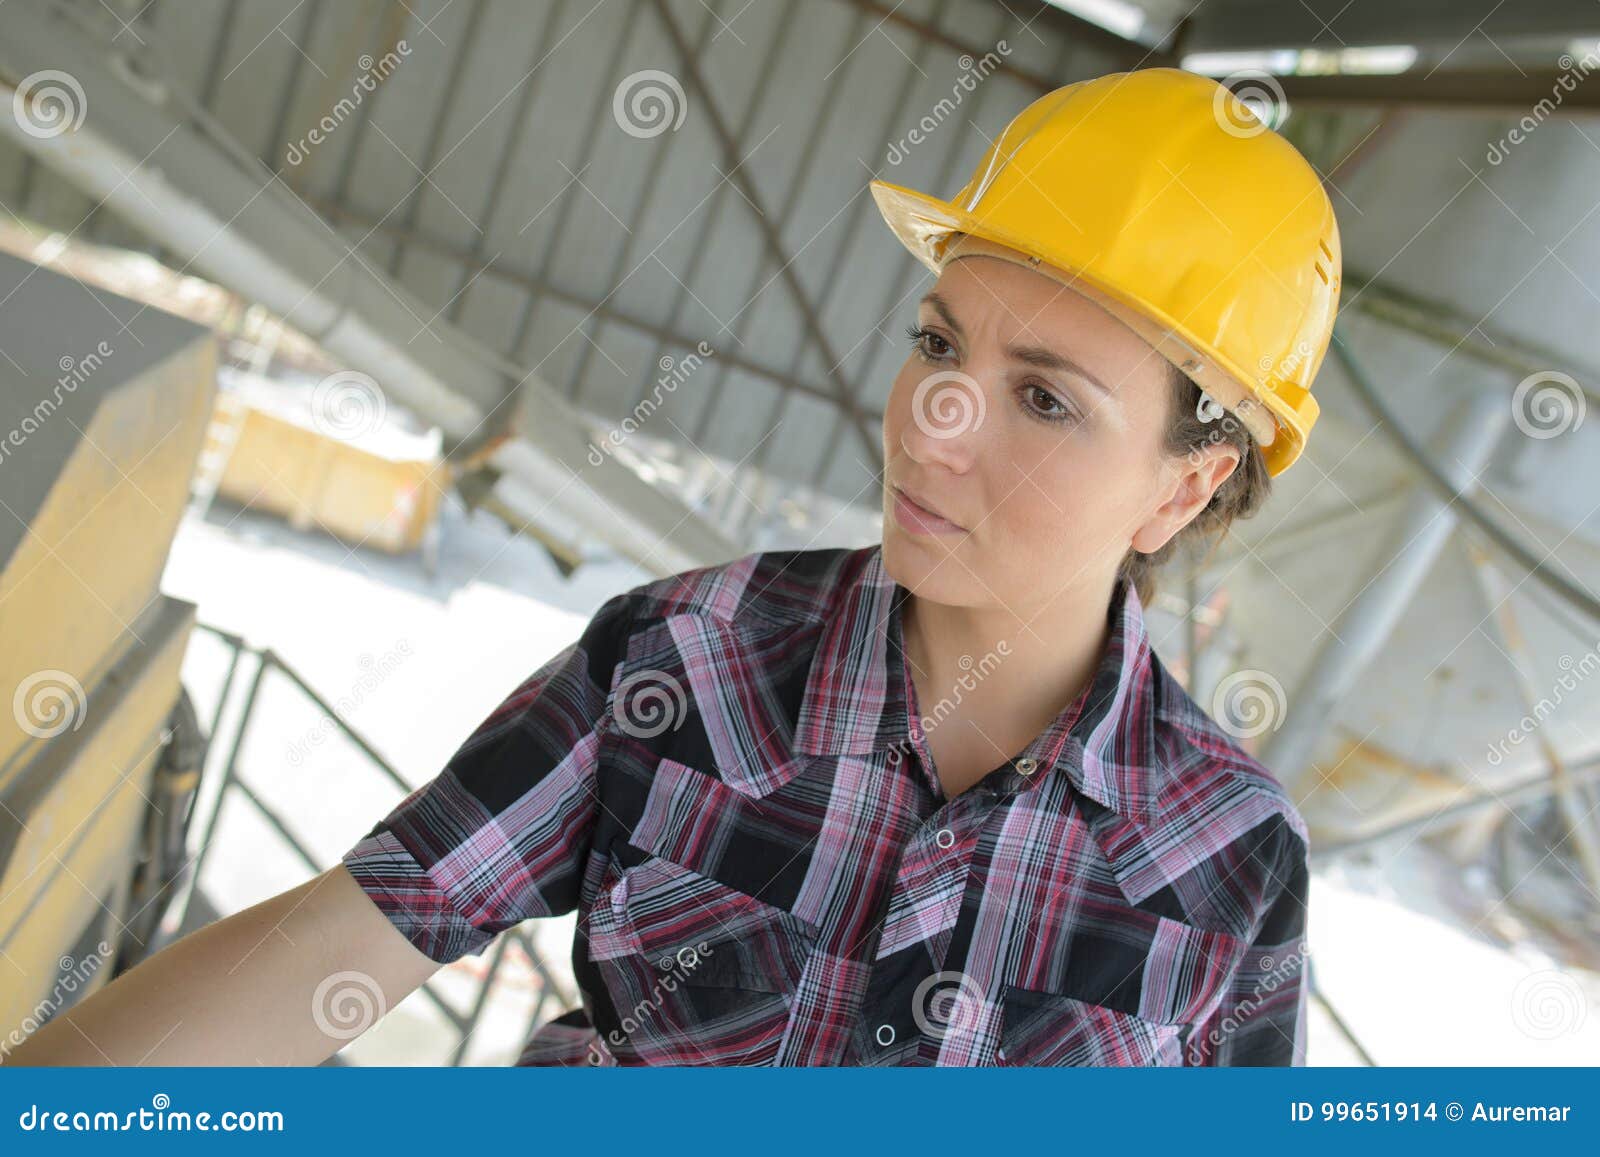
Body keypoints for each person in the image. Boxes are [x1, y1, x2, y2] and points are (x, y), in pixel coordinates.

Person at [6, 66, 1337, 1067]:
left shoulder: (1230, 868)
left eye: (1044, 401)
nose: (932, 424)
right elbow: (357, 934)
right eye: (940, 347)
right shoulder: (683, 661)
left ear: (1183, 484)